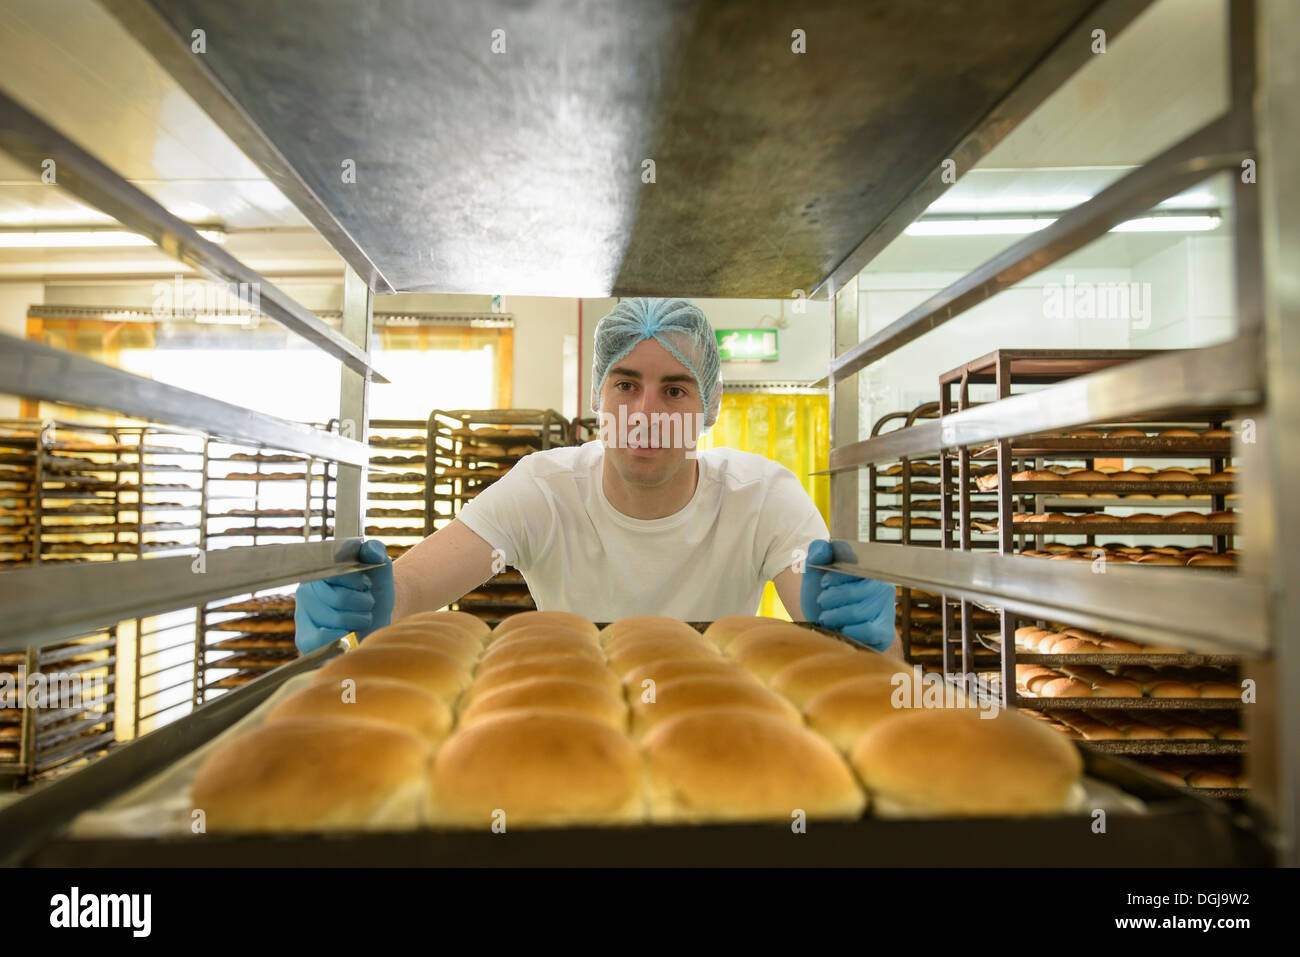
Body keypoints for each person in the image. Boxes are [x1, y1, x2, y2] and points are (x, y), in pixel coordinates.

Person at [295, 298, 894, 653]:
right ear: (598, 395)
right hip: (575, 740)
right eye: (627, 384)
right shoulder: (543, 491)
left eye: (675, 389)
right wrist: (361, 602)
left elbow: (852, 664)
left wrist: (866, 635)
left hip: (712, 737)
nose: (646, 414)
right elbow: (412, 594)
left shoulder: (762, 497)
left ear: (708, 407)